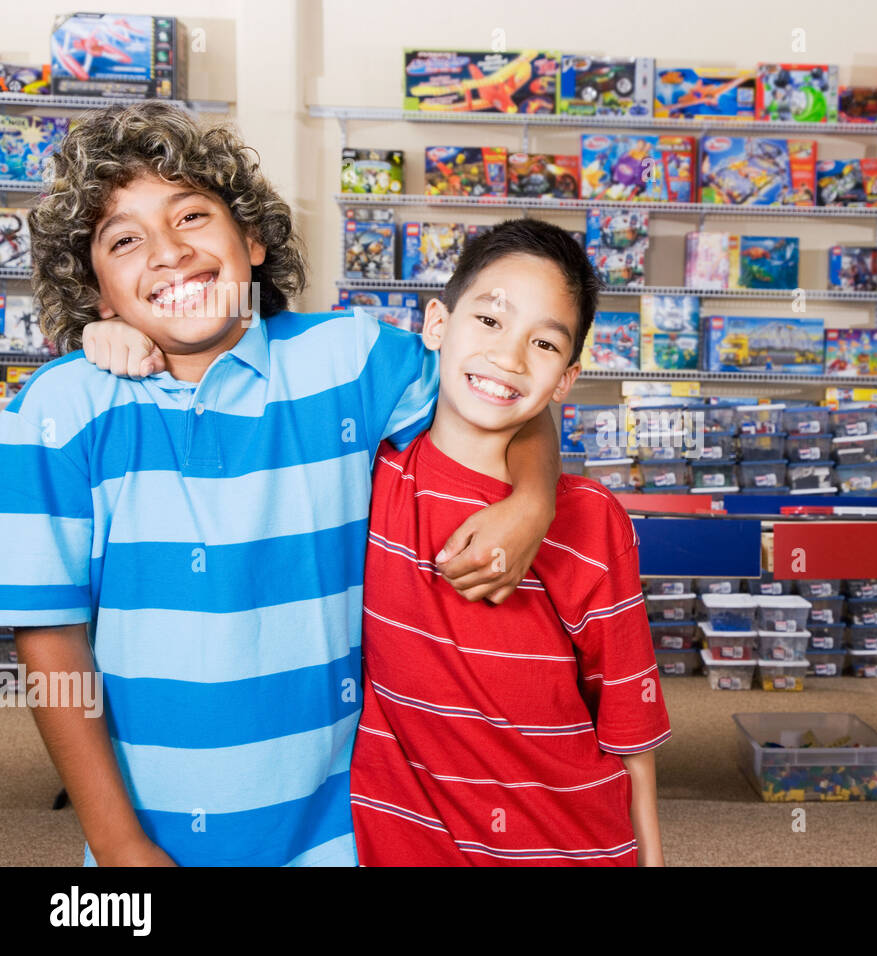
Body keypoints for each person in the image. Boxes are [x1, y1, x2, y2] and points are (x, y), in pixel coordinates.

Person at [0, 101, 559, 867]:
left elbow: (506, 391)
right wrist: (118, 842)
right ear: (98, 291)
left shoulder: (351, 360)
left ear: (253, 238)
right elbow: (51, 641)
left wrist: (533, 500)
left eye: (191, 216)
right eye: (124, 240)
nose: (167, 252)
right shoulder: (56, 411)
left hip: (340, 828)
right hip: (145, 833)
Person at [351, 218, 670, 866]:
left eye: (544, 344)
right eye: (491, 321)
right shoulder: (365, 482)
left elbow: (629, 727)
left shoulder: (589, 520)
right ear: (436, 324)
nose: (509, 358)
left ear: (565, 380)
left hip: (570, 844)